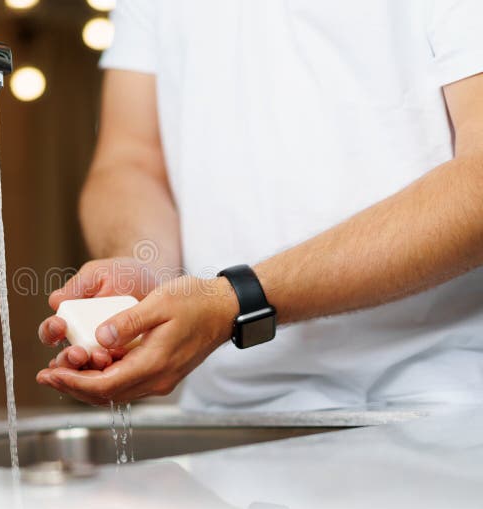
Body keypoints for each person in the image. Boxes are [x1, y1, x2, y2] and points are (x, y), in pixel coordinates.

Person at [35, 0, 483, 411]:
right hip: (228, 414)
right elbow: (132, 160)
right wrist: (144, 269)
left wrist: (238, 301)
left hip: (443, 399)